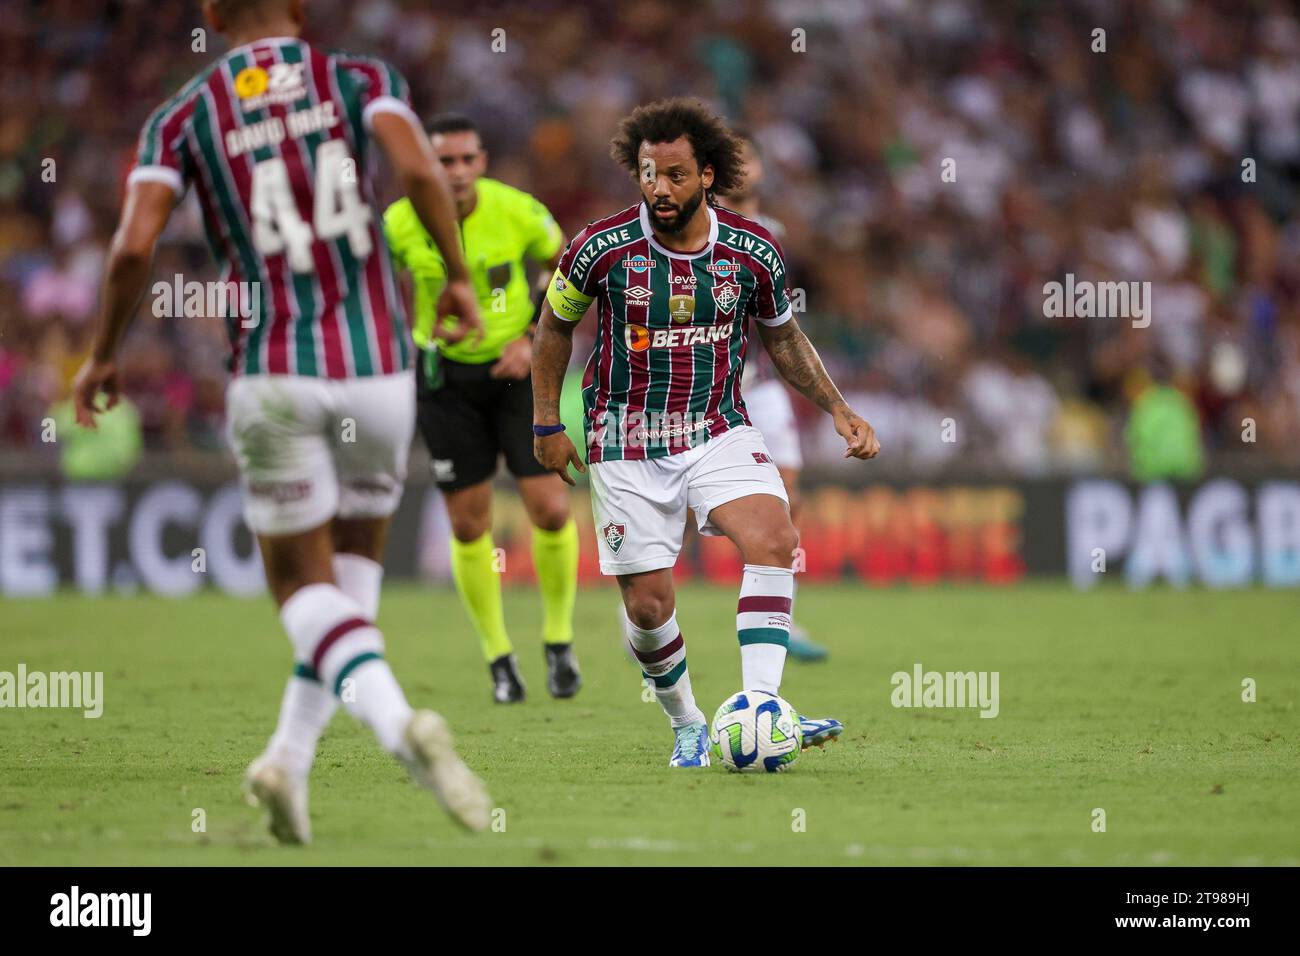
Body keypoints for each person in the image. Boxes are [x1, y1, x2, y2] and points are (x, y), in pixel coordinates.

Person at [71, 0, 491, 843]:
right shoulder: (361, 79)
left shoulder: (182, 116)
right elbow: (417, 172)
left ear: (212, 13)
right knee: (352, 579)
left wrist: (104, 351)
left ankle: (401, 726)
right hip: (377, 369)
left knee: (302, 588)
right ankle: (285, 766)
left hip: (274, 372)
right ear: (300, 6)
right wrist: (453, 275)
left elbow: (129, 247)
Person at [530, 98, 880, 768]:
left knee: (775, 537)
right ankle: (687, 720)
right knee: (649, 605)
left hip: (716, 425)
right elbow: (552, 329)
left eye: (676, 175)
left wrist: (837, 406)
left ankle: (761, 707)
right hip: (625, 437)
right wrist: (547, 420)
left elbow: (785, 341)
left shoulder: (753, 252)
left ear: (709, 176)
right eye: (648, 174)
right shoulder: (598, 248)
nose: (660, 188)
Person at [384, 114, 580, 705]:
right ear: (426, 165)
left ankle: (559, 640)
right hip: (445, 380)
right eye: (445, 162)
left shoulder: (517, 210)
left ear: (483, 161)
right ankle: (499, 657)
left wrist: (529, 335)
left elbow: (564, 265)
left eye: (467, 159)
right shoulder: (397, 222)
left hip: (516, 373)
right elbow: (373, 285)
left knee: (548, 507)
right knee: (470, 523)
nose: (458, 172)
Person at [715, 132, 828, 662]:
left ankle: (784, 614)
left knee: (789, 497)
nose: (740, 167)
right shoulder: (696, 226)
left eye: (748, 157)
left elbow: (778, 318)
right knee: (683, 505)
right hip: (705, 385)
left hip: (759, 384)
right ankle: (640, 614)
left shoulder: (773, 233)